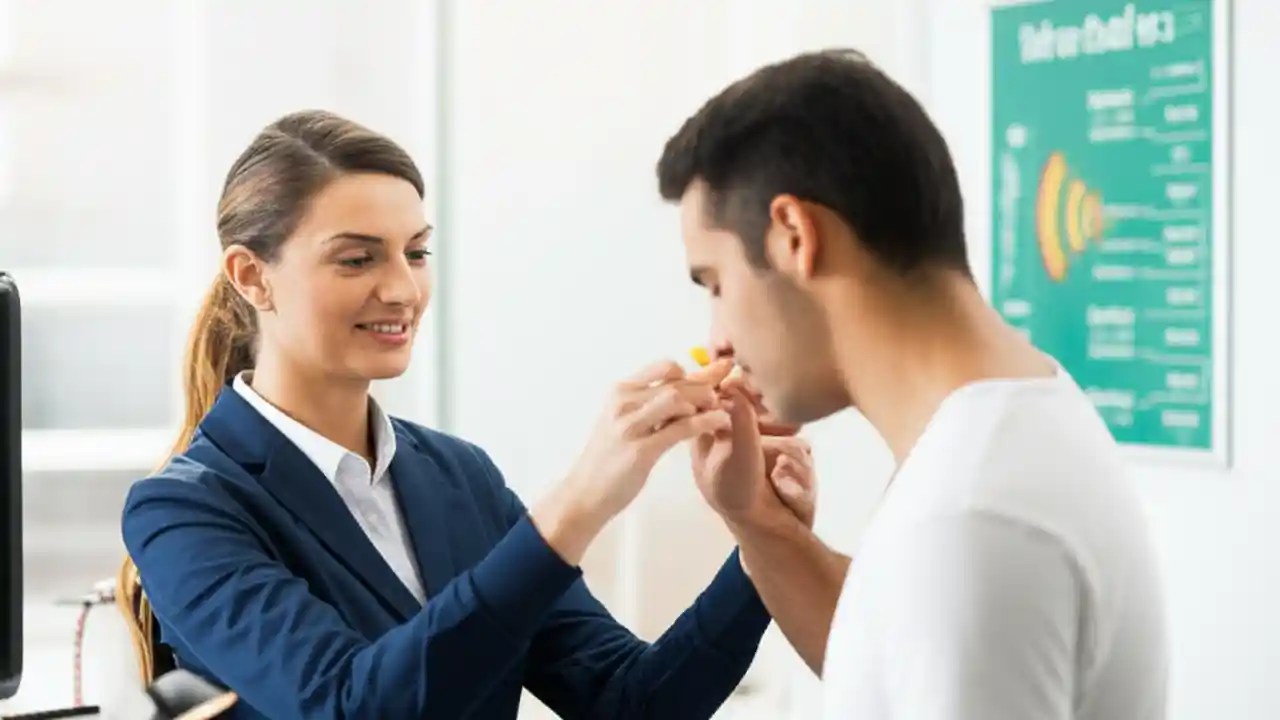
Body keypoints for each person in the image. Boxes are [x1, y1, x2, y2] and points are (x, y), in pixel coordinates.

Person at [118, 109, 817, 719]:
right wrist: (579, 503)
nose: (402, 288)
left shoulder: (458, 477)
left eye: (416, 253)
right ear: (251, 276)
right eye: (357, 259)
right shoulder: (183, 513)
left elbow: (631, 701)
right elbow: (353, 706)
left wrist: (760, 539)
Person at [656, 50, 1168, 719]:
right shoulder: (1011, 423)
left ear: (793, 235)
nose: (716, 337)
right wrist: (760, 525)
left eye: (717, 283)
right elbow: (900, 658)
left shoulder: (967, 518)